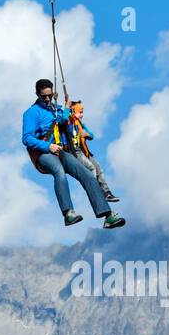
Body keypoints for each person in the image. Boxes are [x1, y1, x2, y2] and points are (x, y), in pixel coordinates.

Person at [22, 79, 125, 229]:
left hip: (61, 151)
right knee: (59, 172)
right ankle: (68, 213)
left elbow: (62, 120)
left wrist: (66, 106)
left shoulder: (54, 108)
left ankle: (107, 216)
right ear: (37, 94)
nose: (47, 99)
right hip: (43, 153)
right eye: (44, 96)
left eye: (49, 96)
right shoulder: (31, 113)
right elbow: (27, 138)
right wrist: (48, 146)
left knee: (88, 174)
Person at [68, 100, 119, 204]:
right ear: (73, 112)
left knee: (98, 168)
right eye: (79, 112)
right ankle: (96, 192)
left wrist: (86, 134)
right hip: (76, 152)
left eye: (82, 112)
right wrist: (67, 107)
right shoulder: (69, 122)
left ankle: (106, 192)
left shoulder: (81, 124)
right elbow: (64, 118)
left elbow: (91, 135)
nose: (82, 115)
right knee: (91, 168)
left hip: (85, 152)